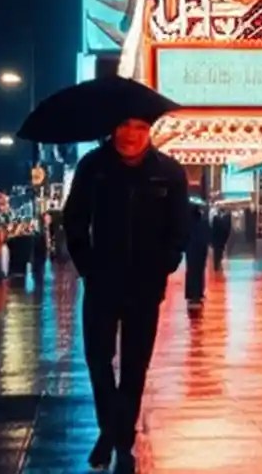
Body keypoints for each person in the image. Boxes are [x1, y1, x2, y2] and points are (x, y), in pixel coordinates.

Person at [64, 117, 189, 473]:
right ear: (112, 129)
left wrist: (166, 262)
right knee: (98, 361)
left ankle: (122, 442)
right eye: (122, 126)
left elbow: (179, 227)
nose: (129, 134)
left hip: (145, 286)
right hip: (101, 282)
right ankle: (109, 429)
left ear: (149, 130)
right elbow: (74, 219)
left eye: (138, 126)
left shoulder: (169, 172)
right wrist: (86, 264)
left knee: (135, 366)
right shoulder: (93, 166)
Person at [184, 202, 209, 310]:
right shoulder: (203, 222)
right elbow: (207, 237)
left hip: (191, 252)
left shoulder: (188, 224)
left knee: (191, 272)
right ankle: (198, 293)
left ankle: (192, 294)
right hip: (201, 251)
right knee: (199, 272)